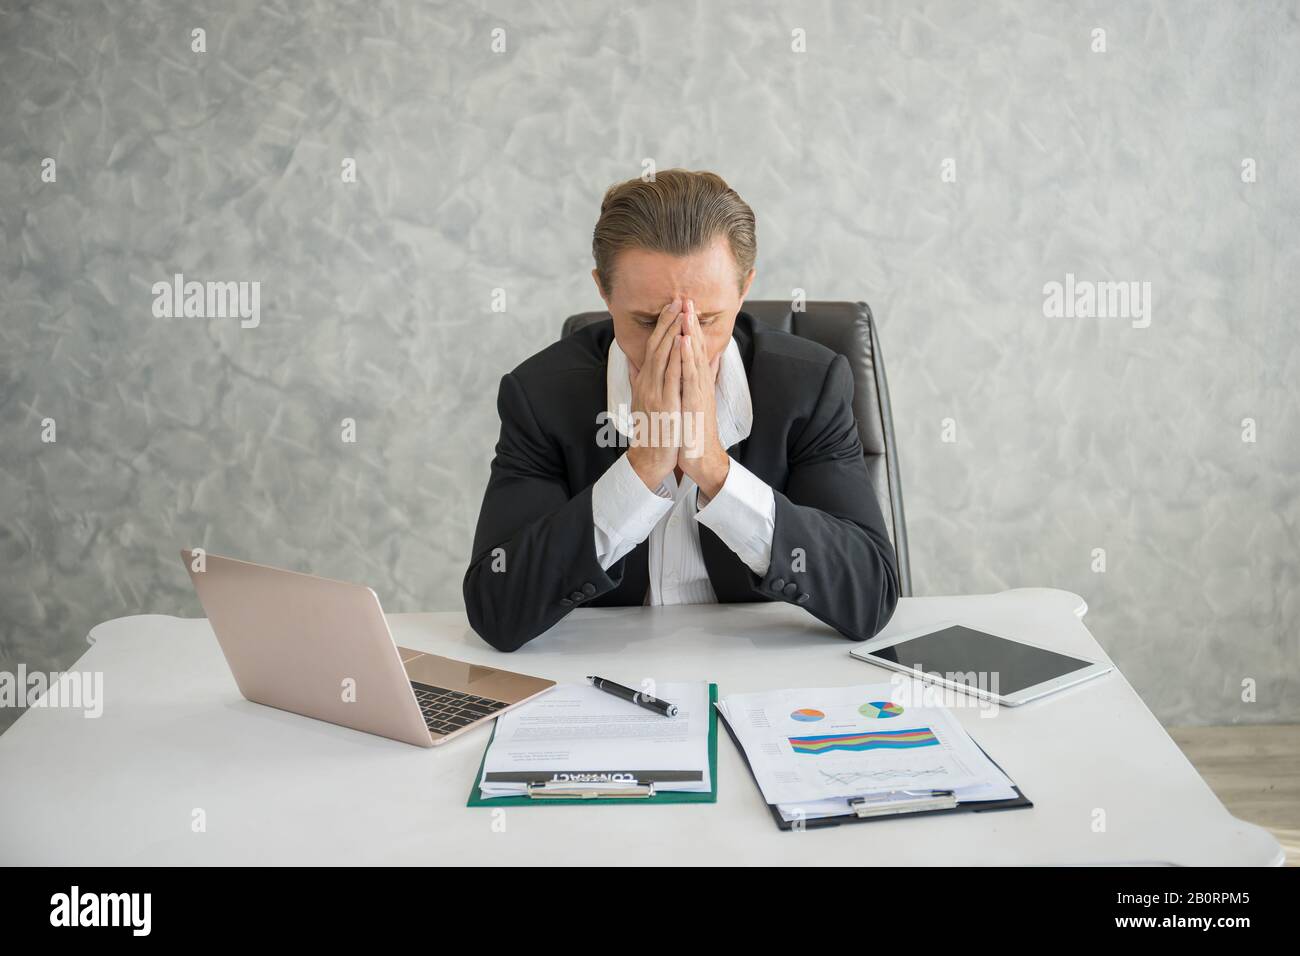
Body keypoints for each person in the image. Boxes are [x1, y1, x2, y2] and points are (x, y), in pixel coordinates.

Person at [463, 169, 899, 650]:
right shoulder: (539, 396)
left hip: (761, 674)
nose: (678, 344)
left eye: (708, 319)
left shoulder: (809, 387)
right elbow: (497, 607)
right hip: (604, 675)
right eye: (649, 321)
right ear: (604, 292)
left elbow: (870, 593)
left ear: (744, 289)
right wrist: (642, 467)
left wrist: (714, 470)